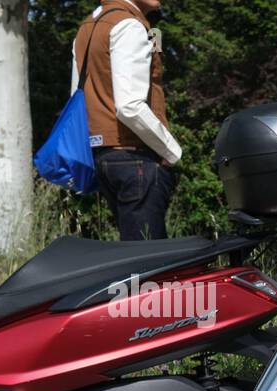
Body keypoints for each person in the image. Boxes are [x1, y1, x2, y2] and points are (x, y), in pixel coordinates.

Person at [71, 0, 181, 240]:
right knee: (149, 261)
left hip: (102, 154)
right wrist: (170, 150)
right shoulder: (129, 25)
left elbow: (76, 97)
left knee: (132, 256)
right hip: (135, 156)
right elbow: (130, 106)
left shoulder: (86, 28)